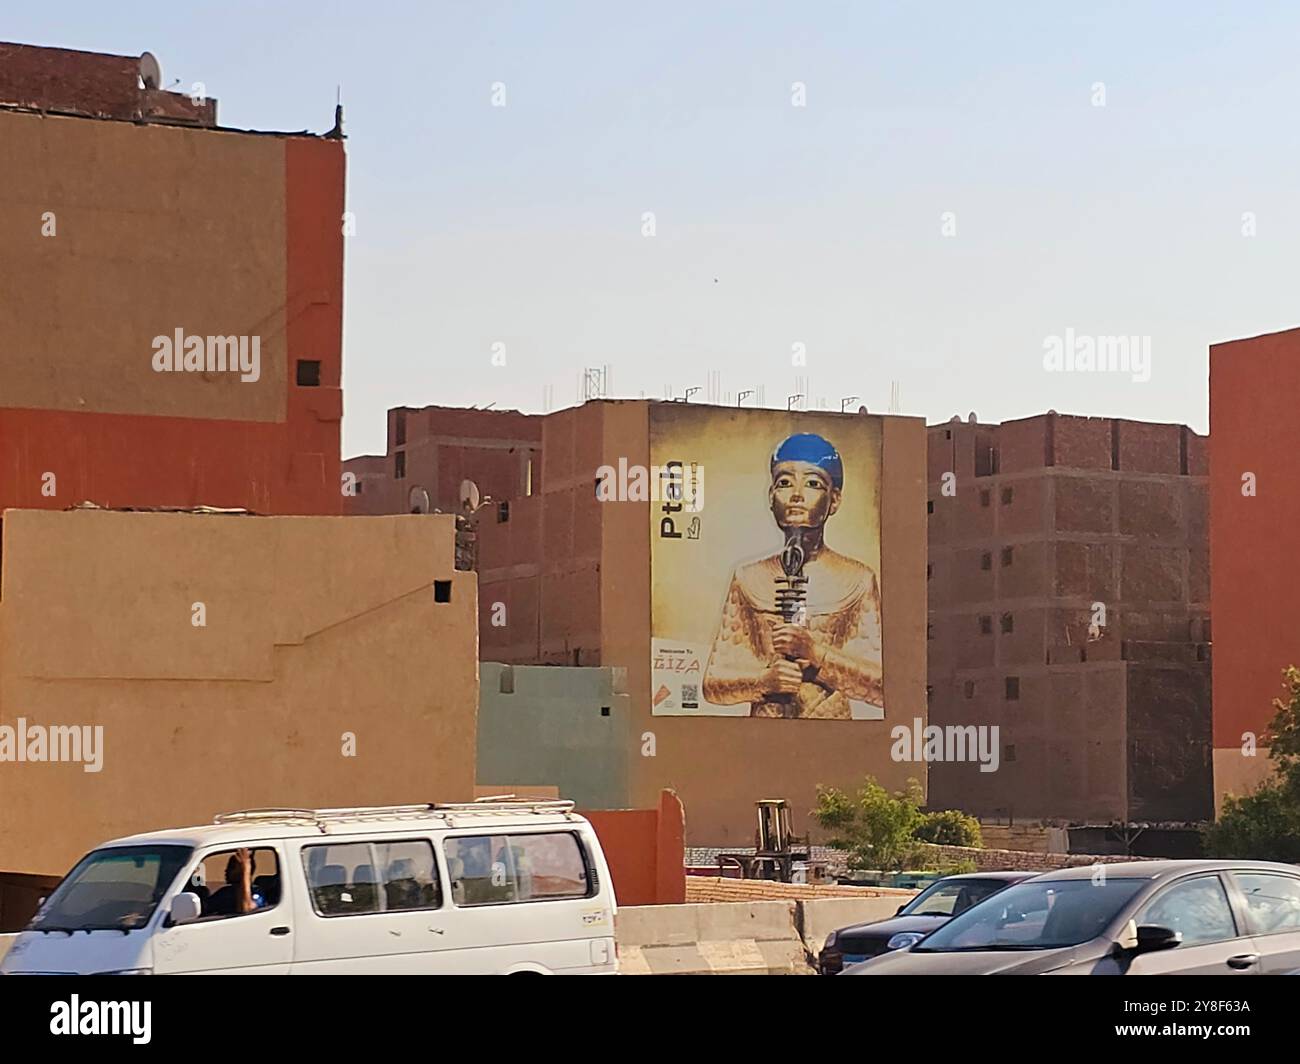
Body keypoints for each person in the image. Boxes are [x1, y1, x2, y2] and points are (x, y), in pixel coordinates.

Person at [702, 432, 884, 719]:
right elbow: (714, 682)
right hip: (766, 734)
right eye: (785, 482)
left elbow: (881, 685)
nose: (797, 495)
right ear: (771, 496)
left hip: (830, 735)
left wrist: (816, 653)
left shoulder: (857, 579)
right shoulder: (749, 577)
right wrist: (763, 681)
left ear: (833, 500)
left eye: (812, 483)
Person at [206, 848, 267, 916]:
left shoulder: (256, 892)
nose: (226, 871)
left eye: (231, 867)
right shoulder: (225, 892)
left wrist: (245, 870)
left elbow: (247, 909)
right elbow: (206, 908)